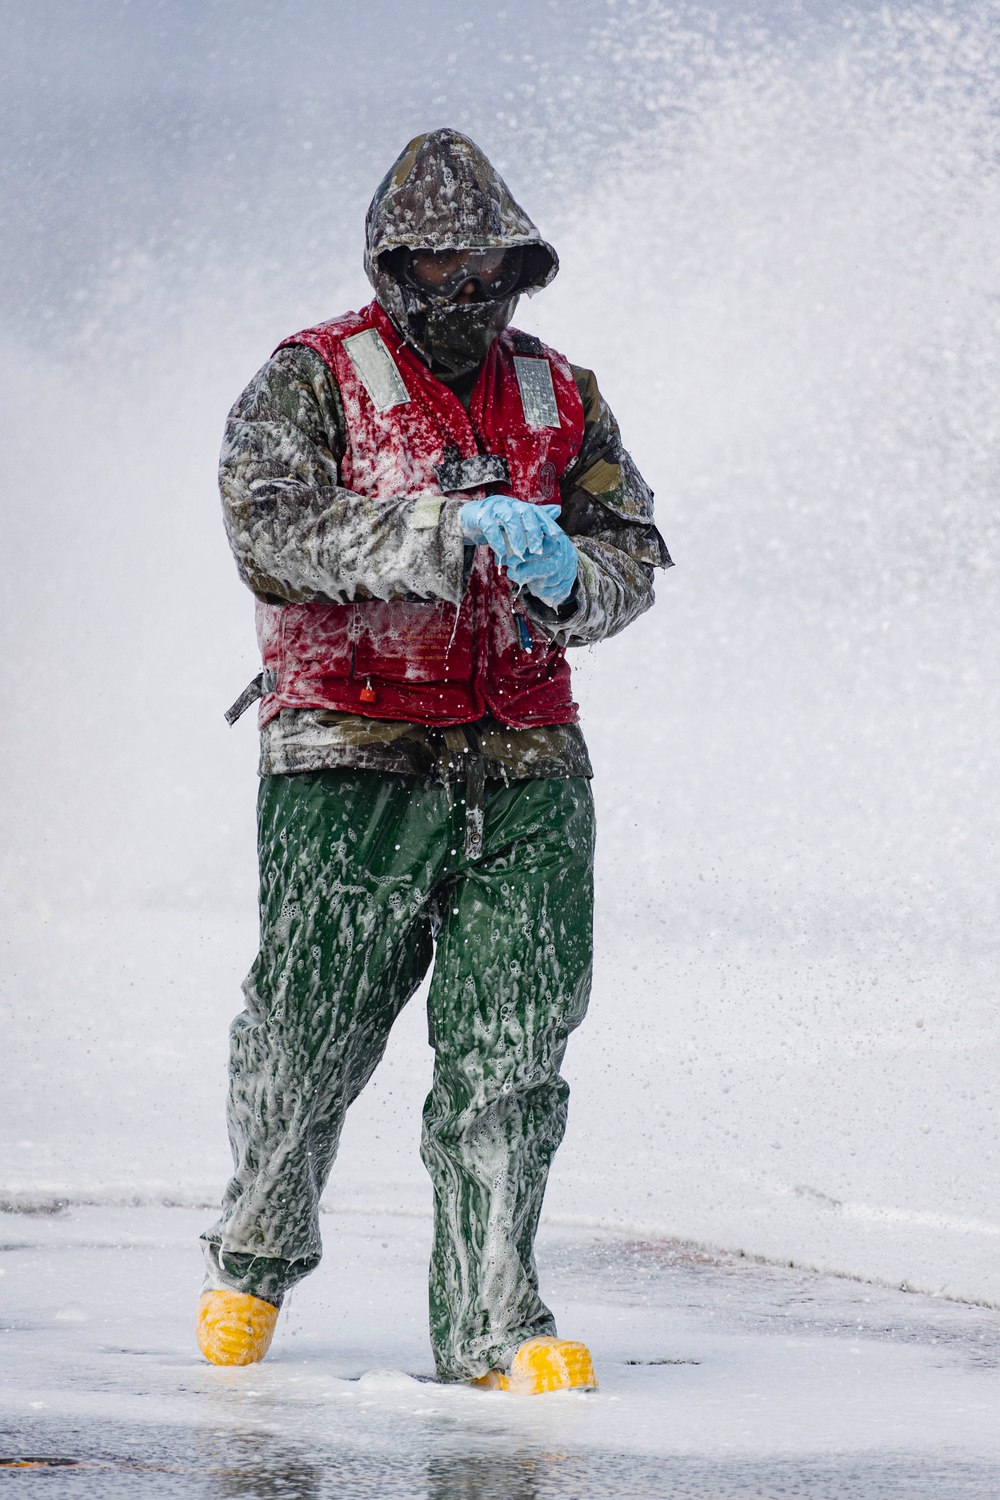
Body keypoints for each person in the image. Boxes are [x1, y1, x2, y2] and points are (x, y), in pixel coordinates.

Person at [197, 128, 671, 1392]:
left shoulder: (563, 392)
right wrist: (441, 528)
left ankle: (493, 1325)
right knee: (306, 1041)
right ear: (394, 268)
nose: (475, 296)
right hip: (345, 765)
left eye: (495, 273)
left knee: (512, 1054)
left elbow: (632, 553)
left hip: (525, 768)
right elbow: (270, 532)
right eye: (448, 271)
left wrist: (578, 577)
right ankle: (252, 1253)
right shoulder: (308, 381)